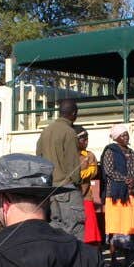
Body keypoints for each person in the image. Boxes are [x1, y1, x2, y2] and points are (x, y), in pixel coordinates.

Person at [34, 97, 85, 240]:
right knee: (76, 227)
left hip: (50, 188)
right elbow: (72, 164)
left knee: (56, 227)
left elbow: (38, 157)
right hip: (67, 187)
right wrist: (77, 183)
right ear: (73, 113)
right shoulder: (69, 132)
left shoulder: (45, 131)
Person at [100, 125, 134, 267]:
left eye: (127, 134)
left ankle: (128, 259)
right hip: (115, 195)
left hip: (130, 194)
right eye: (123, 135)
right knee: (115, 226)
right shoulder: (110, 151)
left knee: (129, 225)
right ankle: (113, 260)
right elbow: (109, 171)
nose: (126, 137)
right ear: (116, 137)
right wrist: (126, 179)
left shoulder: (131, 152)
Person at [76, 127, 103, 250]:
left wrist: (77, 176)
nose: (86, 142)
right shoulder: (68, 156)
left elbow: (93, 171)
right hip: (71, 197)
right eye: (83, 139)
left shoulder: (89, 155)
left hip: (86, 196)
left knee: (91, 228)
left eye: (87, 139)